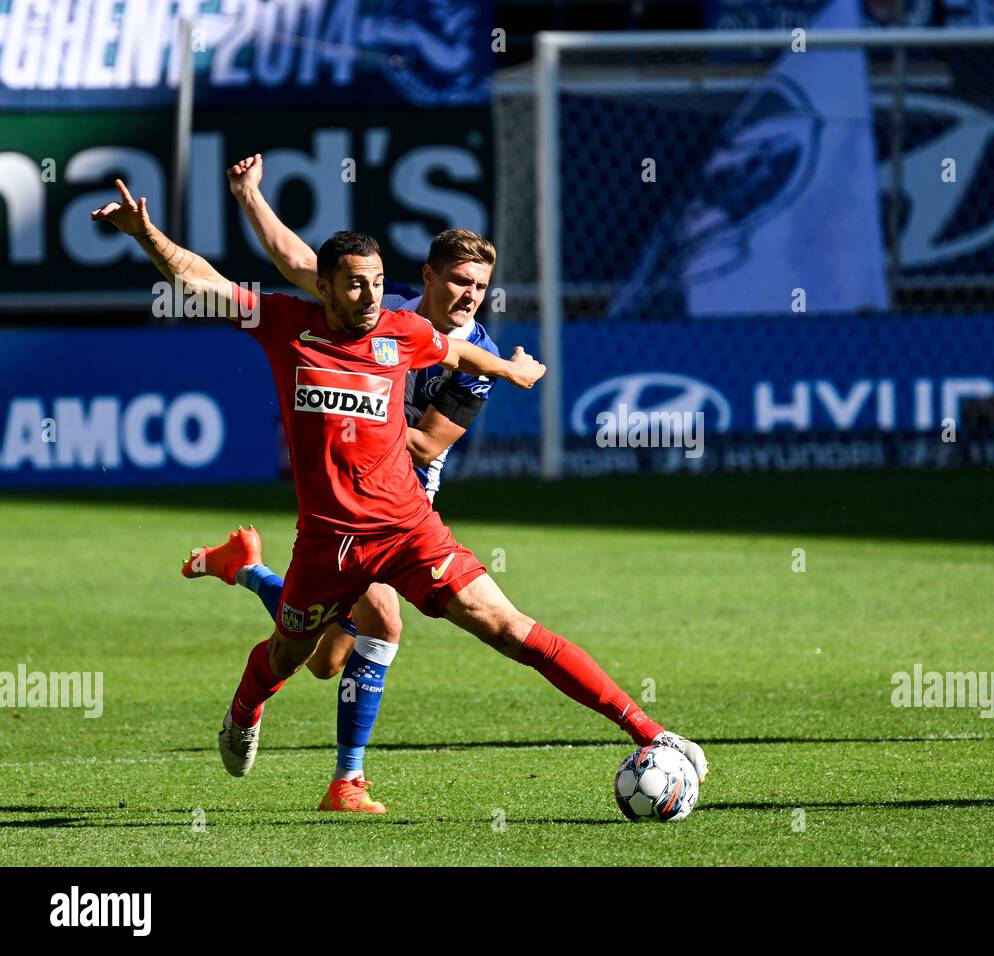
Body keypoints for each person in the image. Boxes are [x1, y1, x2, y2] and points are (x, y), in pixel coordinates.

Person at [91, 180, 708, 813]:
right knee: (299, 657)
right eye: (355, 283)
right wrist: (149, 236)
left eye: (377, 281)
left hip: (410, 528)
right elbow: (203, 278)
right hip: (329, 543)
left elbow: (460, 354)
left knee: (508, 627)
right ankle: (247, 700)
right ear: (326, 287)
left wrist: (514, 371)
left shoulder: (402, 329)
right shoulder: (285, 324)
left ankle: (652, 732)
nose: (369, 295)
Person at [180, 157, 504, 812]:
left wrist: (349, 398)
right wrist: (249, 196)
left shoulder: (477, 358)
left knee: (326, 658)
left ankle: (248, 572)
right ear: (429, 280)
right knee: (382, 623)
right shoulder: (379, 308)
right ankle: (346, 782)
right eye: (458, 282)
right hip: (341, 501)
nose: (469, 296)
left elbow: (423, 443)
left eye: (480, 286)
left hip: (405, 500)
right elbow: (298, 261)